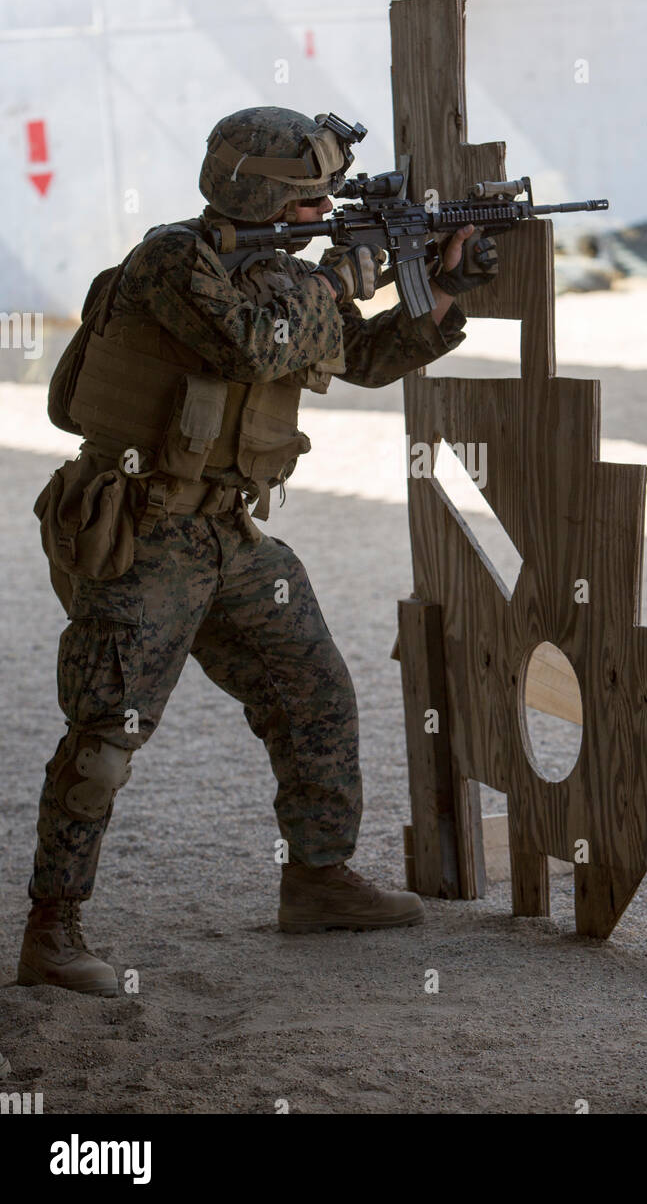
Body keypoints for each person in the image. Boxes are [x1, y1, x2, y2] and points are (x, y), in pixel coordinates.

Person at [18, 106, 497, 996]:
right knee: (107, 735)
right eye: (312, 201)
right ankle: (53, 930)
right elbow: (247, 344)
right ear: (258, 194)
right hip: (141, 532)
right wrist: (333, 285)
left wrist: (441, 289)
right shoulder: (174, 261)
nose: (325, 215)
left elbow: (357, 356)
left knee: (314, 690)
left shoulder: (276, 268)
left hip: (226, 534)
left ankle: (316, 879)